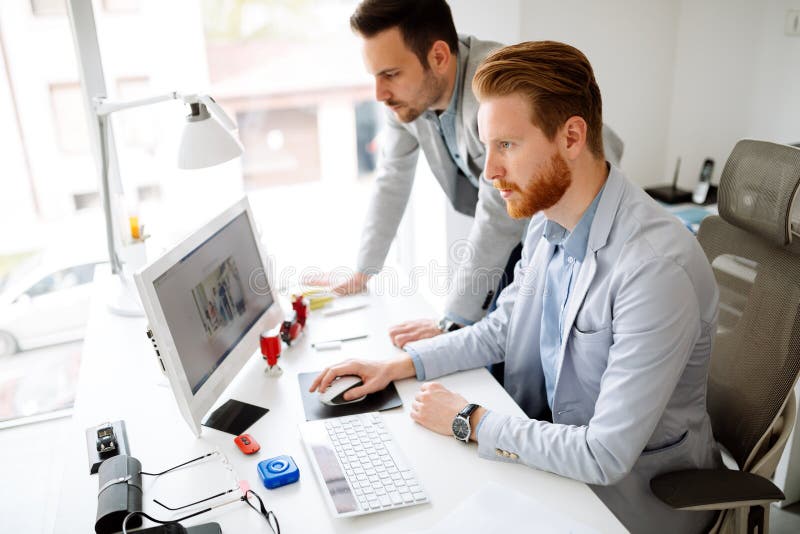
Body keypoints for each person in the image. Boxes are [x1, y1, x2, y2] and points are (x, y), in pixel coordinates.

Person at [310, 40, 721, 533]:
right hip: (559, 466)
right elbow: (503, 329)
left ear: (571, 137)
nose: (490, 172)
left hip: (633, 498)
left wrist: (469, 420)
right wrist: (399, 365)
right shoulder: (548, 221)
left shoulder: (654, 269)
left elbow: (605, 455)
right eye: (487, 147)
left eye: (507, 145)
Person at [307, 0, 624, 349]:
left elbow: (495, 219)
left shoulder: (493, 94)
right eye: (376, 76)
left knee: (539, 346)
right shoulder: (407, 100)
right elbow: (391, 179)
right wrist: (364, 270)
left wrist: (451, 320)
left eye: (391, 74)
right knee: (493, 338)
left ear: (439, 56)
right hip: (522, 225)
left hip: (575, 219)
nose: (380, 94)